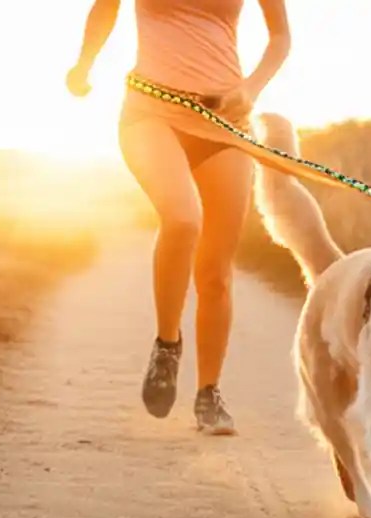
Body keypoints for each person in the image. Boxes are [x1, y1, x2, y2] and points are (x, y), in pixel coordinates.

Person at [66, 0, 291, 436]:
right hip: (152, 111)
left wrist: (251, 88)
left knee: (215, 273)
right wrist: (84, 64)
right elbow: (105, 7)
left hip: (224, 120)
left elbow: (280, 36)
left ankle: (210, 394)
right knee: (184, 218)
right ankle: (167, 344)